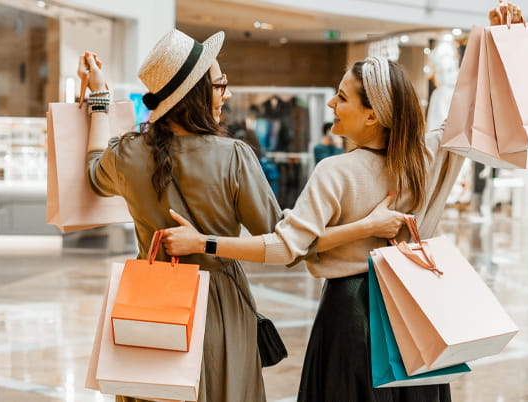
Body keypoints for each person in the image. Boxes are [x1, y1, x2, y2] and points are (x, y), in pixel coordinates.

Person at [81, 29, 403, 402]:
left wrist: (98, 98)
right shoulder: (233, 157)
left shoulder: (125, 155)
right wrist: (365, 227)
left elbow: (92, 173)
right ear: (197, 93)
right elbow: (287, 244)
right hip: (219, 304)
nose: (227, 94)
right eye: (221, 85)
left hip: (148, 302)